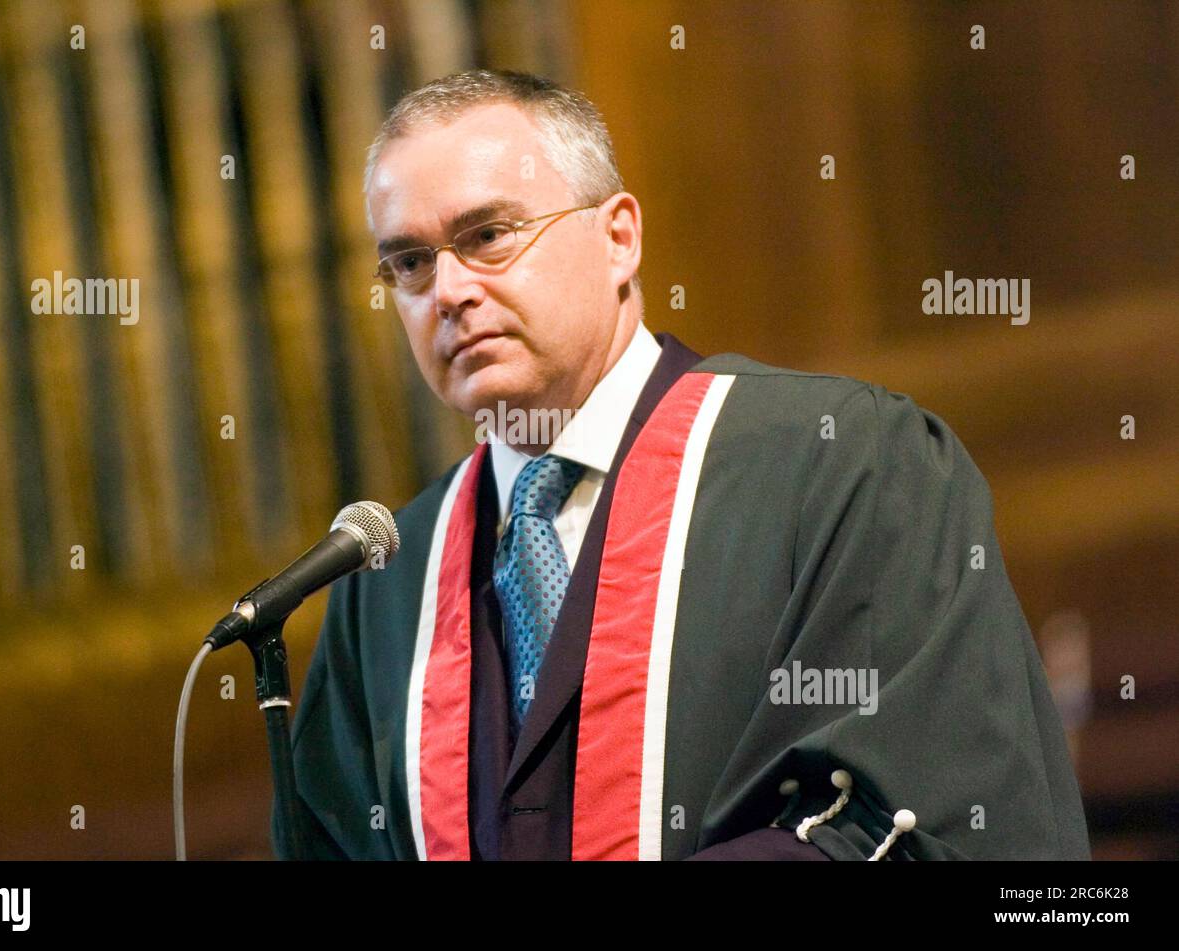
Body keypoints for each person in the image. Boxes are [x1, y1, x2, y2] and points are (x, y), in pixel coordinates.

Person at [273, 69, 1091, 860]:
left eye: (488, 236)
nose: (448, 289)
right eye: (410, 262)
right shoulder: (386, 582)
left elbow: (921, 811)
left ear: (619, 236)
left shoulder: (842, 465)